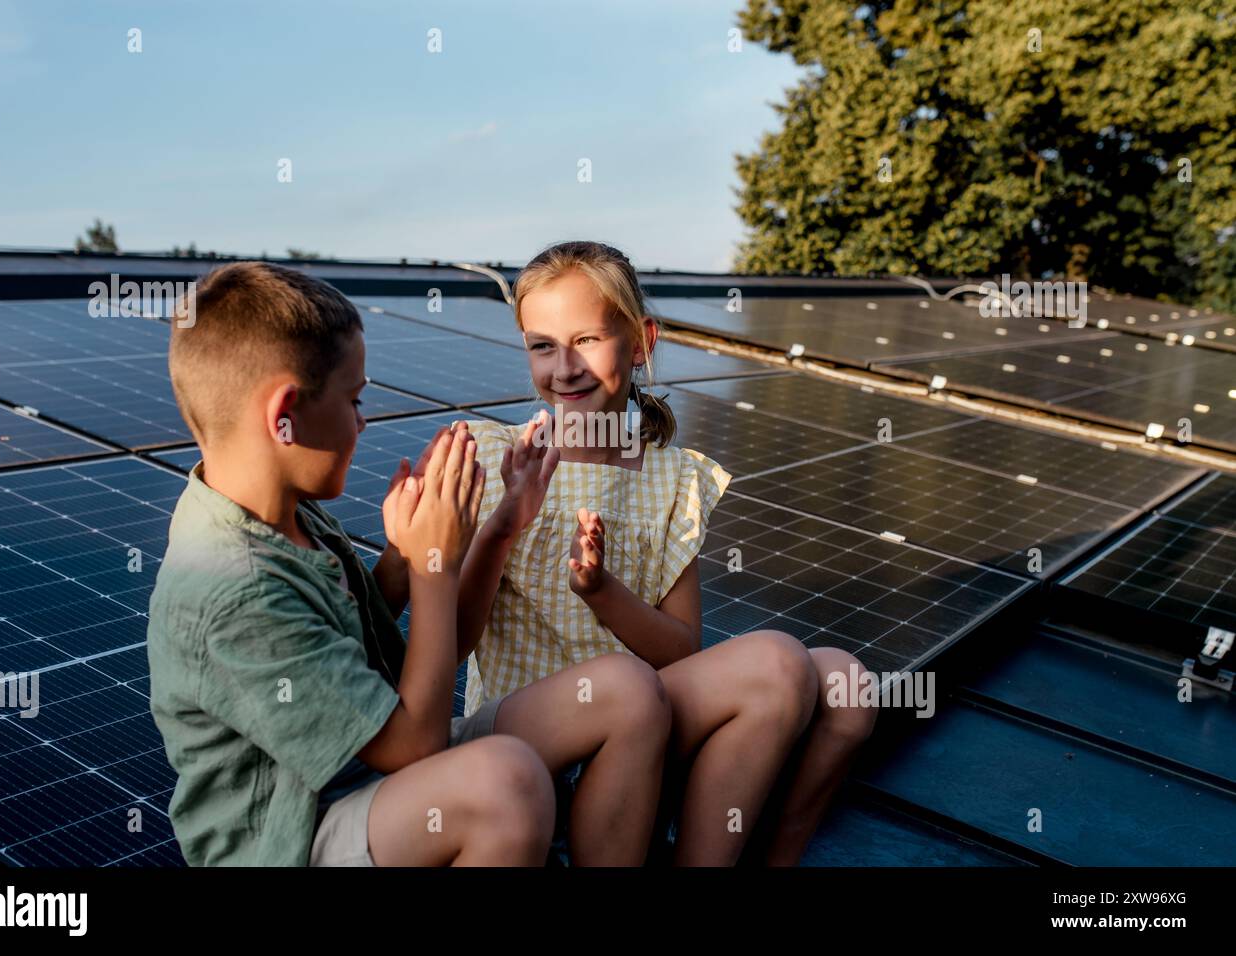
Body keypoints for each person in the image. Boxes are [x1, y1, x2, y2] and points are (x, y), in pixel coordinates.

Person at [147, 261, 670, 866]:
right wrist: (433, 566)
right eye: (353, 399)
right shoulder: (236, 592)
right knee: (504, 784)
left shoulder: (285, 512)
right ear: (285, 413)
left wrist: (403, 558)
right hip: (296, 834)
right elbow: (414, 744)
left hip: (373, 785)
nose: (364, 420)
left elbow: (357, 633)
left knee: (622, 689)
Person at [458, 241, 879, 866]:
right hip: (528, 736)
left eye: (588, 341)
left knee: (846, 683)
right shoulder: (494, 456)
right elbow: (452, 641)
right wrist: (501, 527)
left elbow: (681, 650)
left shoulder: (672, 478)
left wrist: (603, 592)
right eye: (542, 345)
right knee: (772, 659)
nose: (564, 367)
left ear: (641, 342)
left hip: (638, 727)